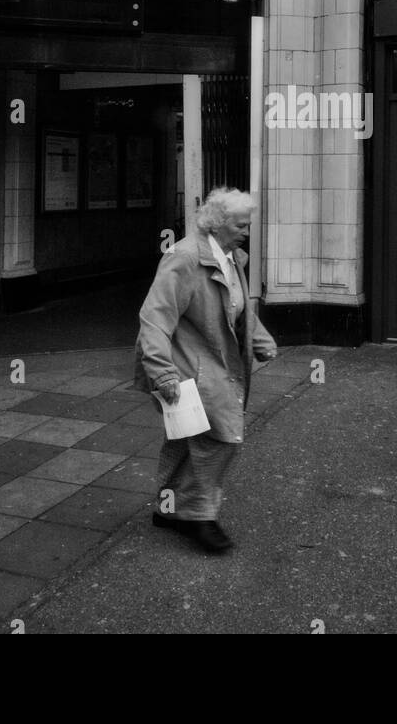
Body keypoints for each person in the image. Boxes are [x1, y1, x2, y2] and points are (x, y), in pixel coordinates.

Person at [133, 187, 278, 554]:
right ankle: (200, 516)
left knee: (186, 440)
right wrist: (162, 374)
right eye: (240, 224)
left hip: (214, 360)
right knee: (221, 438)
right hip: (187, 365)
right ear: (216, 224)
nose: (247, 230)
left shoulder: (230, 256)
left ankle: (169, 509)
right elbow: (154, 317)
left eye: (248, 224)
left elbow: (239, 306)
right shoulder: (183, 258)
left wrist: (259, 338)